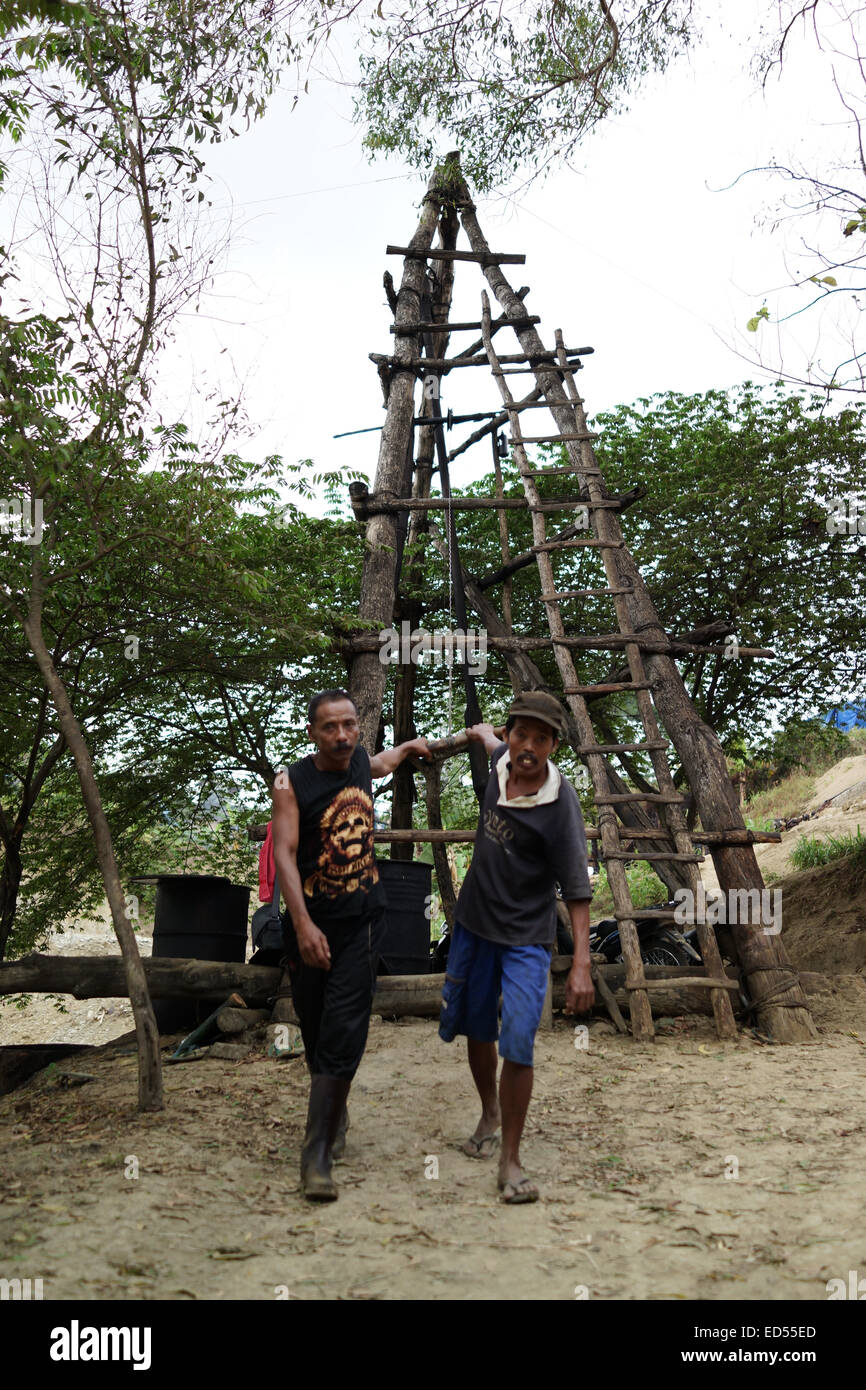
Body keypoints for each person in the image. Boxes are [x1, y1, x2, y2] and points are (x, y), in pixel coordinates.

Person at [271, 689, 431, 1201]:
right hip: (309, 925)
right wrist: (302, 925)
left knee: (343, 1029)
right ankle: (335, 1113)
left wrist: (408, 747)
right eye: (330, 728)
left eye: (350, 725)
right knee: (316, 1031)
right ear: (313, 733)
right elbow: (285, 856)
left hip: (363, 921)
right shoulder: (292, 783)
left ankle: (315, 1154)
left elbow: (381, 763)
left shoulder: (359, 760)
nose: (342, 736)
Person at [438, 690, 595, 1204]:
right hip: (475, 925)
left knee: (520, 1037)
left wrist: (581, 968)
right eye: (520, 733)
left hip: (527, 937)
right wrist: (454, 739)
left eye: (541, 738)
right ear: (510, 736)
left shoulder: (560, 805)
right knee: (476, 1027)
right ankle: (489, 1109)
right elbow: (481, 733)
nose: (528, 746)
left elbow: (576, 888)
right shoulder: (500, 756)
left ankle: (510, 1160)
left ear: (553, 745)